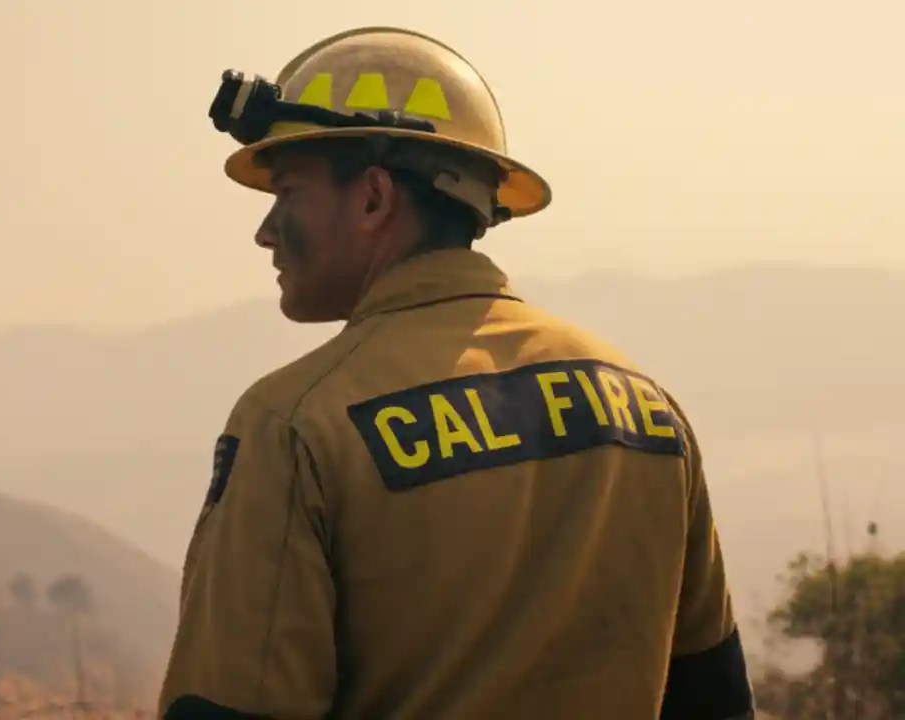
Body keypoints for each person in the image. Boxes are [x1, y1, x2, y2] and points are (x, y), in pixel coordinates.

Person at [159, 26, 754, 719]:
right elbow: (713, 697)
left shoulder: (293, 424)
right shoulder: (644, 408)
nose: (266, 230)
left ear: (375, 198)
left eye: (287, 191)